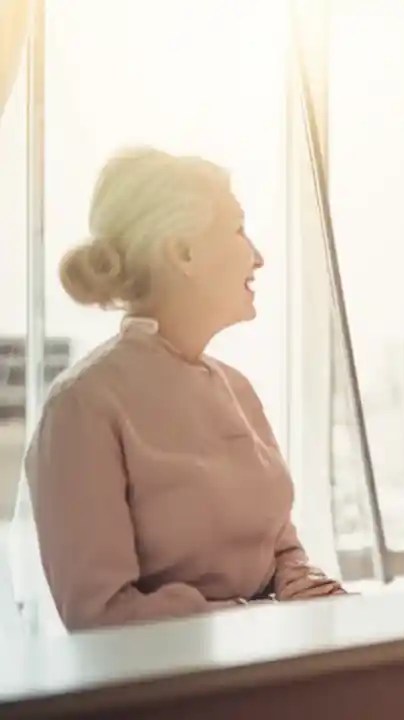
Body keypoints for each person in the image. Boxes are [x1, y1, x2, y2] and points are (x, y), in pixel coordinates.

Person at [21, 147, 342, 632]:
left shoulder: (238, 389)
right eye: (237, 229)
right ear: (182, 253)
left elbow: (281, 547)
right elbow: (99, 618)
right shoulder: (81, 406)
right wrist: (255, 623)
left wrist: (319, 596)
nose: (258, 255)